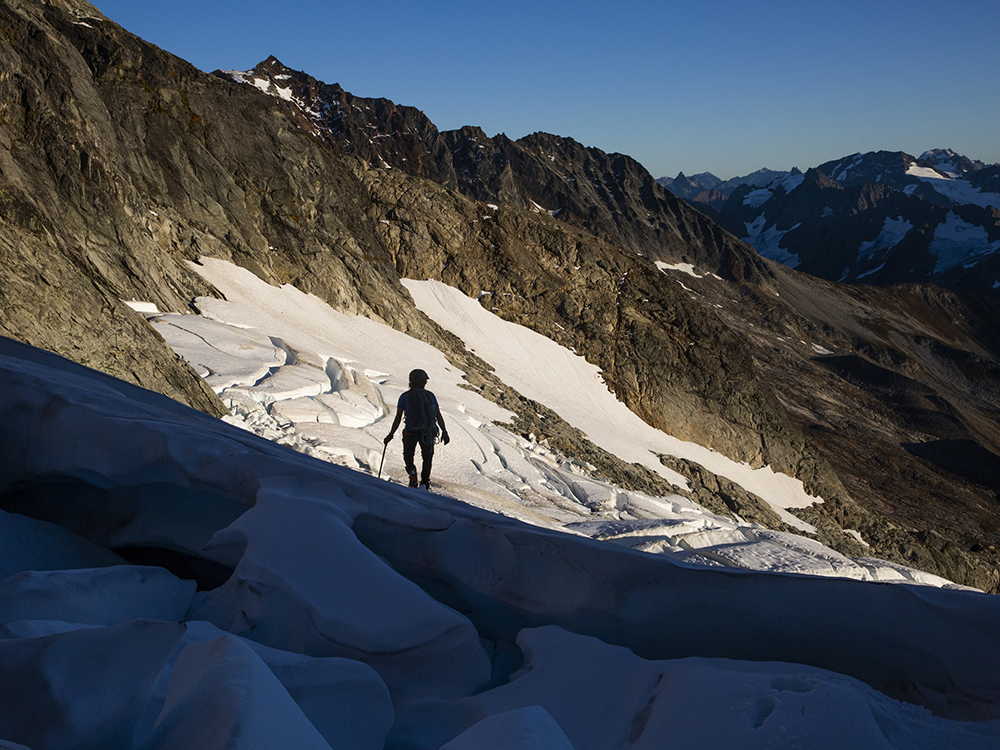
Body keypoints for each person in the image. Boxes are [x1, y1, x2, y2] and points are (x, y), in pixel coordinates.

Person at [384, 368, 449, 489]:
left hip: (410, 432)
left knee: (408, 455)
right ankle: (424, 483)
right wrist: (444, 432)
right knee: (427, 458)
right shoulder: (430, 396)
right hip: (427, 432)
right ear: (424, 382)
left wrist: (391, 434)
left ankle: (412, 471)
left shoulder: (405, 397)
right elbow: (438, 415)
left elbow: (398, 417)